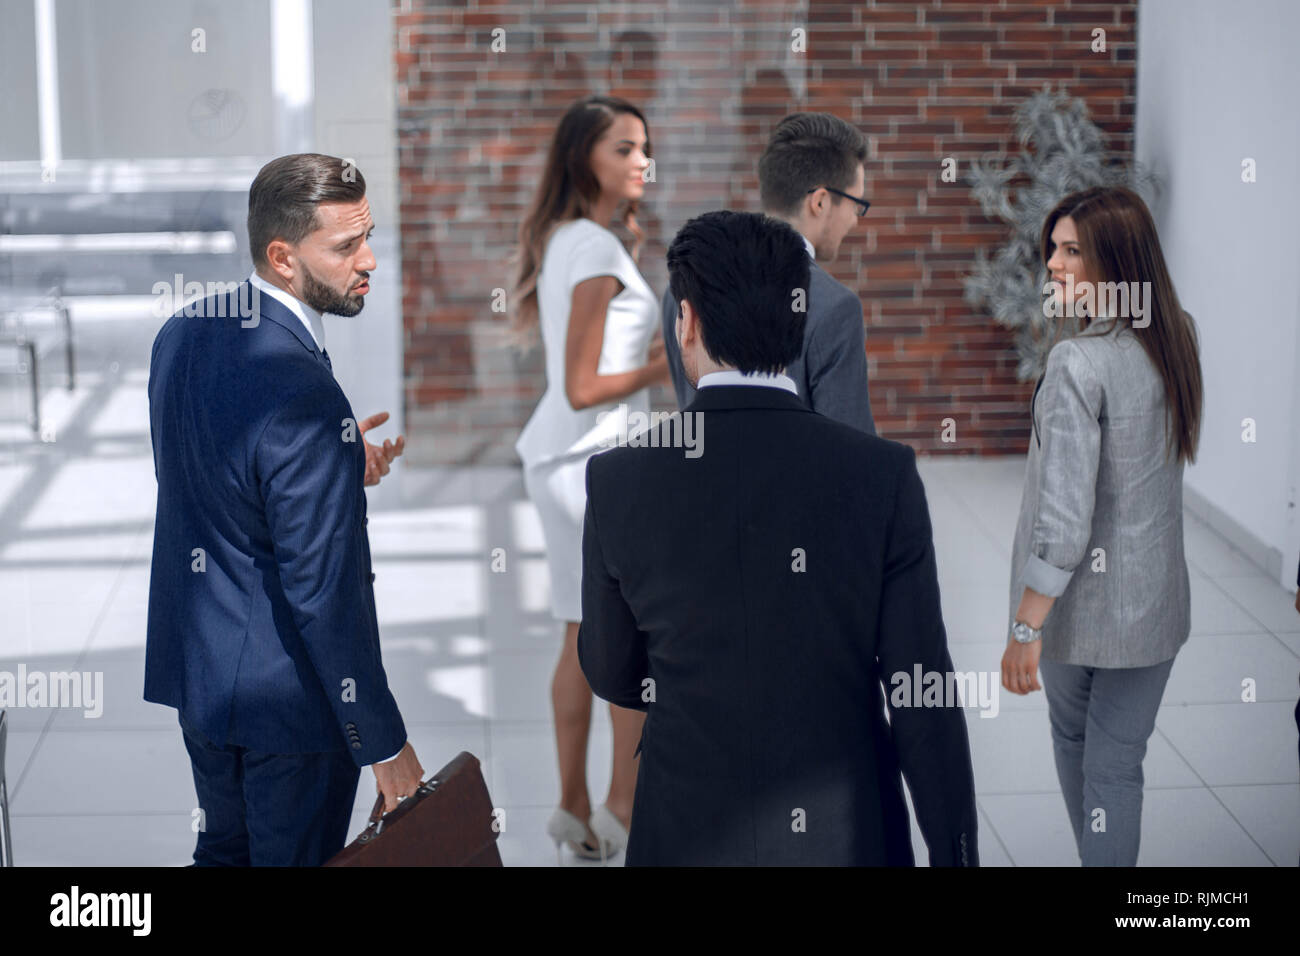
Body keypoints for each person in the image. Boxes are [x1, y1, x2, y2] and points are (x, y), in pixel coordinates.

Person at [578, 210, 978, 865]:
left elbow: (612, 668)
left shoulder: (619, 480)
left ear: (687, 322)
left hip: (685, 827)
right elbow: (921, 695)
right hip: (846, 833)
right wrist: (957, 855)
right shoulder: (882, 475)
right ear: (798, 321)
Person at [146, 153, 421, 866]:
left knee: (222, 856)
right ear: (282, 256)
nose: (370, 261)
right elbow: (323, 592)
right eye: (345, 246)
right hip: (290, 710)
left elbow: (207, 481)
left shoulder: (182, 332)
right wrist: (383, 741)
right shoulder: (301, 389)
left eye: (369, 236)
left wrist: (332, 464)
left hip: (202, 680)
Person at [1002, 185, 1204, 866]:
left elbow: (1063, 522)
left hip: (1080, 616)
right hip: (1156, 610)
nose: (1052, 266)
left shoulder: (1076, 364)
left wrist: (1026, 628)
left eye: (1072, 252)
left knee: (1079, 748)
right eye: (1052, 249)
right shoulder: (1177, 333)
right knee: (1118, 767)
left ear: (1118, 263)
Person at [509, 95, 671, 862]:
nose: (643, 161)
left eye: (645, 148)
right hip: (592, 464)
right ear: (585, 160)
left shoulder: (567, 238)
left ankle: (576, 807)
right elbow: (580, 385)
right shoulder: (597, 251)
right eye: (625, 148)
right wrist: (669, 360)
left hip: (568, 463)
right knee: (625, 641)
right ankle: (619, 808)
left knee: (581, 633)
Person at [659, 112, 876, 434]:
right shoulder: (834, 307)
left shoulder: (682, 286)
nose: (856, 220)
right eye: (857, 204)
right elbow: (853, 451)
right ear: (820, 202)